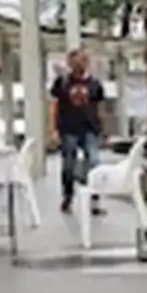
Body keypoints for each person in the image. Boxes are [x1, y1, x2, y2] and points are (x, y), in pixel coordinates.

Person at [50, 49, 107, 216]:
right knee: (68, 164)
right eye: (75, 62)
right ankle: (68, 195)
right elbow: (54, 106)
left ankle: (94, 198)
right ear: (69, 64)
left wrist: (103, 128)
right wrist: (53, 130)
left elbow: (100, 107)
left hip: (89, 128)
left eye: (82, 61)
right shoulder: (62, 83)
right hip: (68, 129)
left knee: (94, 162)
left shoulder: (95, 84)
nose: (79, 65)